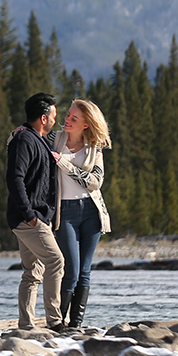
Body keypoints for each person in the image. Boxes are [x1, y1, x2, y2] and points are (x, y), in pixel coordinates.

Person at [5, 92, 65, 330]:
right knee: (56, 261)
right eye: (53, 116)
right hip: (28, 218)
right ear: (43, 118)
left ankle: (26, 325)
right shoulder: (24, 141)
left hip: (36, 216)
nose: (55, 121)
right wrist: (29, 215)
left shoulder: (40, 140)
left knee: (33, 270)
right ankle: (55, 322)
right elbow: (15, 178)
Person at [51, 98, 112, 329]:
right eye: (67, 115)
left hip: (91, 211)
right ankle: (58, 323)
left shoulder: (94, 147)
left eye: (73, 118)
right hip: (64, 212)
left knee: (85, 271)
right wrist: (18, 132)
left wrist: (64, 164)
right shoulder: (54, 139)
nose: (66, 120)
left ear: (85, 124)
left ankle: (75, 325)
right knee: (71, 270)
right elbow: (30, 139)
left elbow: (95, 182)